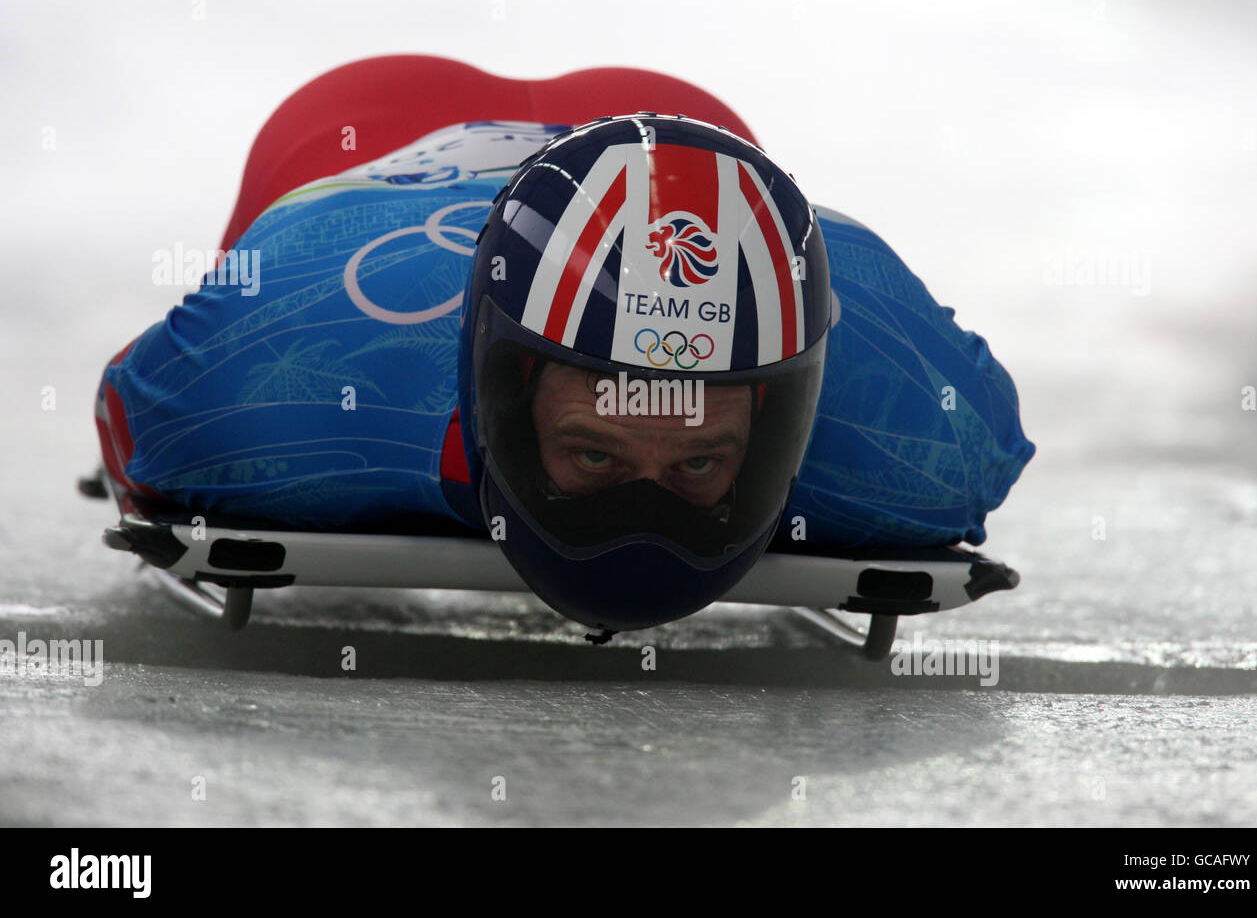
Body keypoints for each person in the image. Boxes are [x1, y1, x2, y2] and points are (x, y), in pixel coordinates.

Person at [94, 55, 1035, 630]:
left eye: (703, 462)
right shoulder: (266, 370)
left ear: (789, 406)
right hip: (365, 148)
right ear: (495, 384)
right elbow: (136, 407)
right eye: (594, 449)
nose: (644, 512)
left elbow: (130, 416)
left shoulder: (908, 409)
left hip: (689, 166)